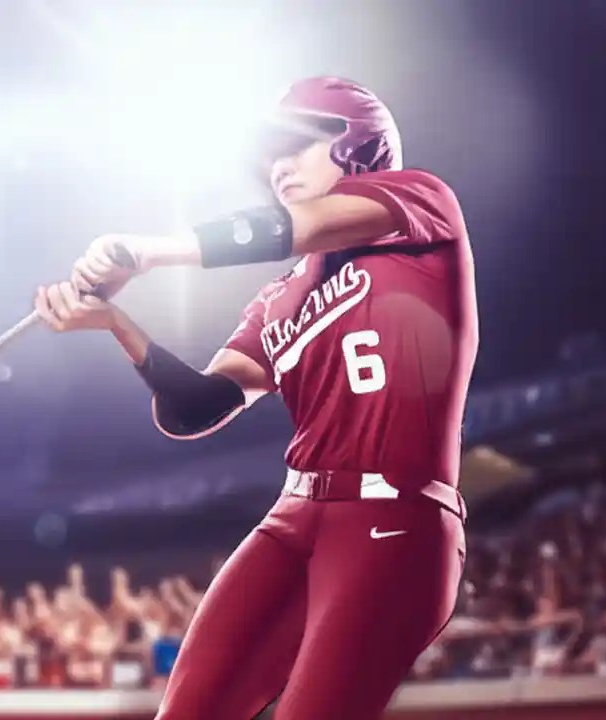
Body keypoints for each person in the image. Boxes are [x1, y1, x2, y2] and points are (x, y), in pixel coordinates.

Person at [35, 76, 477, 719]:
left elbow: (288, 228)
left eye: (297, 146)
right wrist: (115, 324)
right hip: (293, 518)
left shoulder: (418, 202)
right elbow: (195, 408)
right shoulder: (278, 299)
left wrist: (148, 250)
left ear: (357, 148)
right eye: (271, 156)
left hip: (396, 519)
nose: (279, 167)